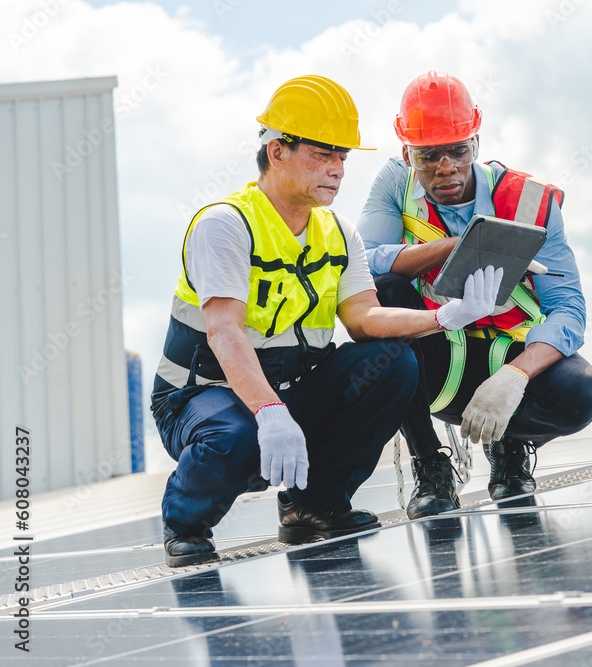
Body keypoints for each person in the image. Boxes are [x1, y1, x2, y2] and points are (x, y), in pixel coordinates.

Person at [150, 75, 501, 567]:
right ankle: (186, 525)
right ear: (277, 152)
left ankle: (314, 506)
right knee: (234, 436)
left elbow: (365, 320)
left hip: (290, 390)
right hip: (203, 397)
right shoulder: (226, 225)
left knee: (393, 363)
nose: (337, 170)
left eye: (342, 158)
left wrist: (445, 317)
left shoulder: (338, 232)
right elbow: (224, 331)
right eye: (322, 155)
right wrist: (269, 413)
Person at [358, 71, 592, 520]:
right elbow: (363, 261)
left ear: (476, 140)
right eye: (428, 155)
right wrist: (457, 244)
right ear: (406, 152)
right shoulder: (396, 183)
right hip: (433, 354)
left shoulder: (528, 202)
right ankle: (431, 465)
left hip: (508, 355)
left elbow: (568, 310)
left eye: (458, 150)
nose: (446, 167)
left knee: (580, 392)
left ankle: (510, 444)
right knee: (383, 292)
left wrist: (516, 377)